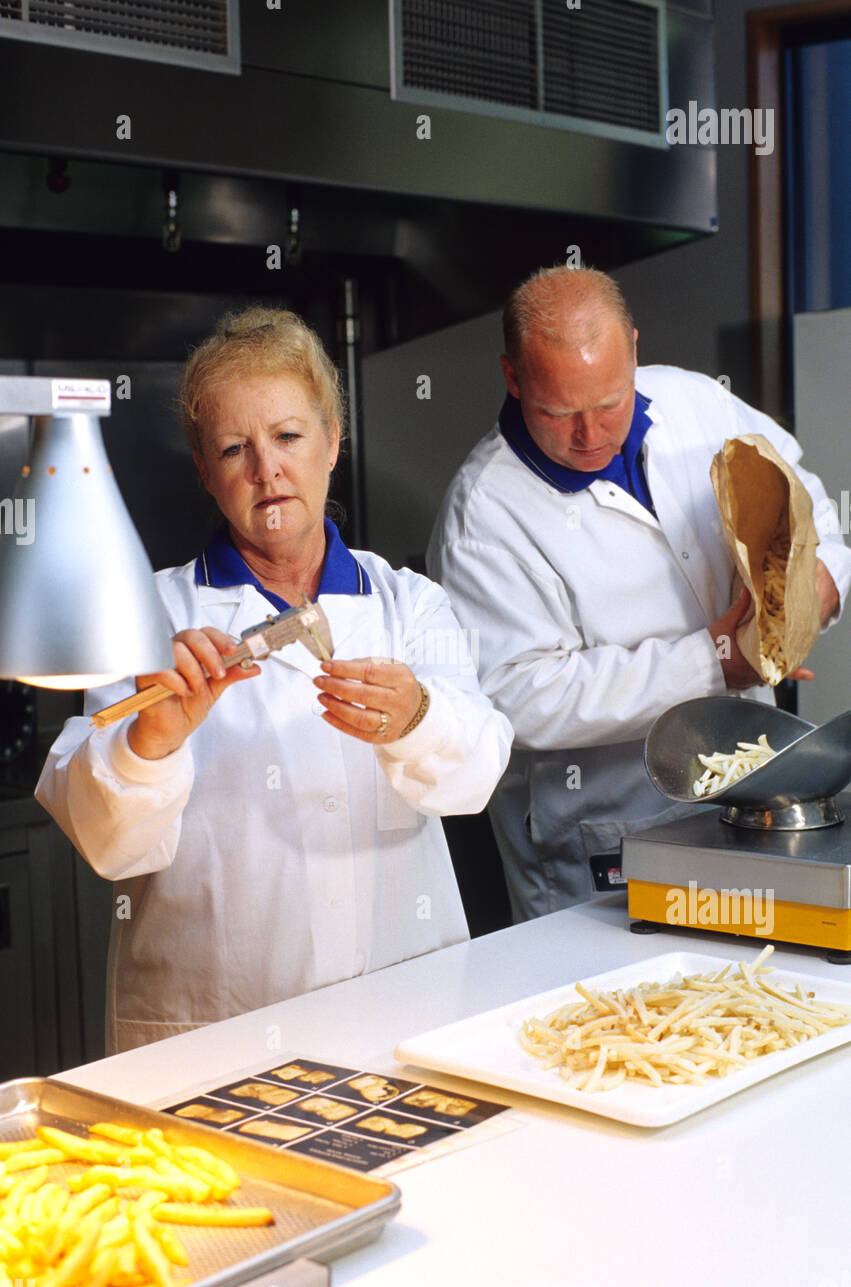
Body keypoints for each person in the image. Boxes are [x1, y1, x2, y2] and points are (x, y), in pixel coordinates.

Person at [37, 307, 511, 1052]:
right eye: (234, 448)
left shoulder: (409, 604)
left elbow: (476, 776)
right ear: (203, 469)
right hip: (211, 1032)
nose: (267, 470)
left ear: (332, 440)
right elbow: (107, 846)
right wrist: (147, 742)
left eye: (288, 436)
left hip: (402, 1015)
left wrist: (419, 718)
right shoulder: (149, 615)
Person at [427, 266, 851, 922]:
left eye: (609, 402)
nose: (589, 435)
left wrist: (817, 585)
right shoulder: (482, 516)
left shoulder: (694, 403)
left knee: (741, 1000)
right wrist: (713, 663)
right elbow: (521, 696)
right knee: (618, 1016)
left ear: (631, 347)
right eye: (558, 412)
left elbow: (805, 506)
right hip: (600, 833)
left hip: (748, 792)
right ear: (512, 378)